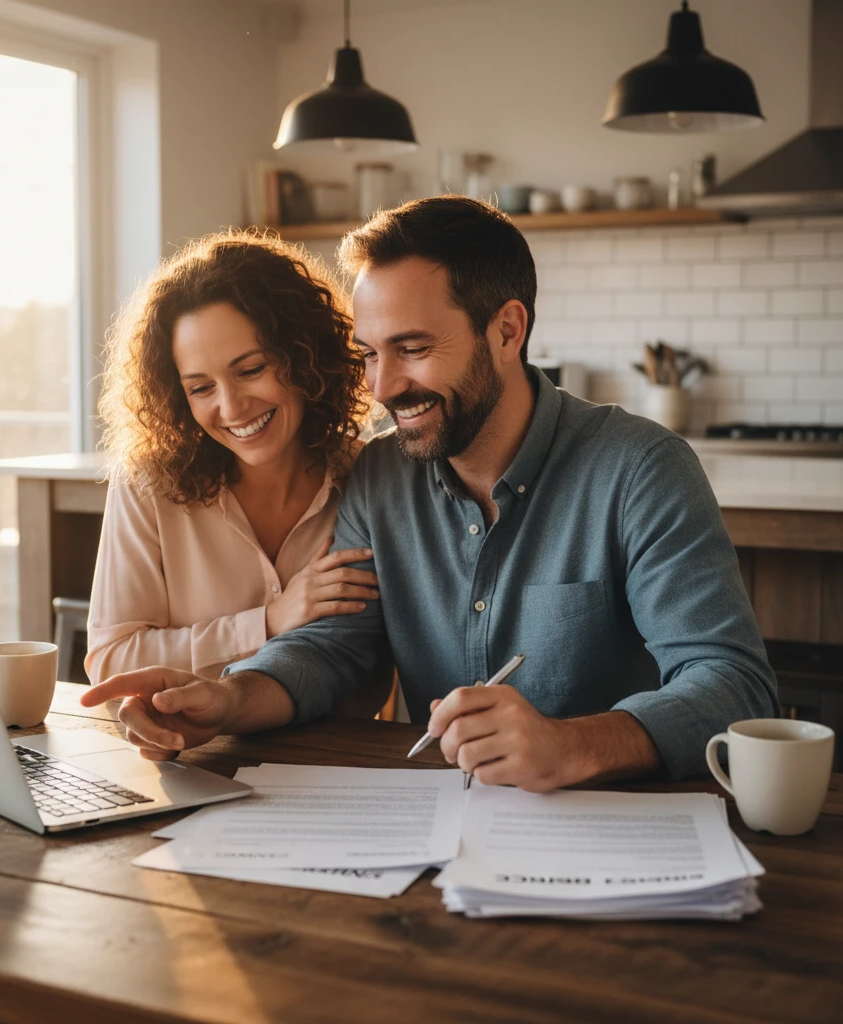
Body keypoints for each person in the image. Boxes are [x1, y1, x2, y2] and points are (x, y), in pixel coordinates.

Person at [82, 197, 778, 790]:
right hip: (439, 827)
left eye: (412, 349)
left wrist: (574, 745)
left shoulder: (641, 469)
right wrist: (229, 698)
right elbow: (333, 649)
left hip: (617, 824)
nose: (383, 388)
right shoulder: (379, 477)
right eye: (369, 355)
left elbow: (732, 683)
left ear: (507, 330)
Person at [85, 231, 386, 712]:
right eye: (201, 388)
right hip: (188, 749)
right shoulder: (147, 482)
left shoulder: (367, 477)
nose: (232, 408)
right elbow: (112, 663)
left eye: (251, 370)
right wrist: (268, 621)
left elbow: (373, 671)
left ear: (305, 356)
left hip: (333, 750)